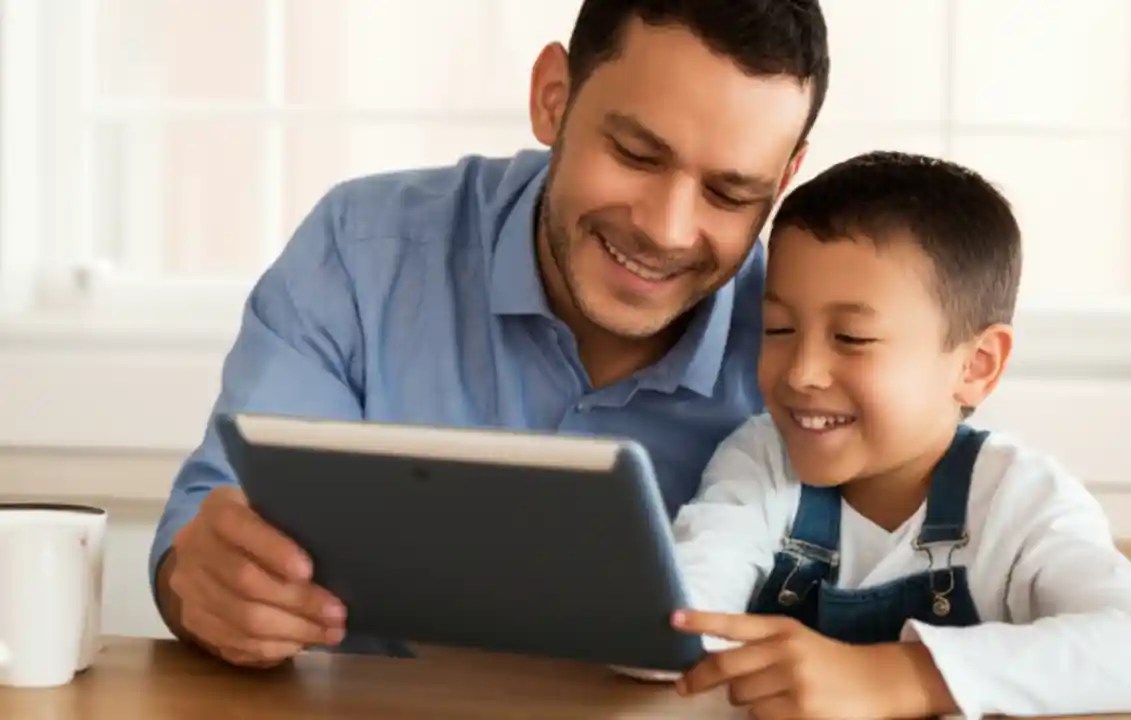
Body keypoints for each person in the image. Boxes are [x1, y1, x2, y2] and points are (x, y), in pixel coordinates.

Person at [149, 0, 829, 668]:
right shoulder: (362, 253)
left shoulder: (823, 355)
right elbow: (207, 529)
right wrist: (209, 587)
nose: (667, 229)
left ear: (785, 179)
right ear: (552, 98)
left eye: (730, 195)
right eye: (636, 154)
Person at [667, 152, 1131, 719]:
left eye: (851, 337)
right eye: (779, 329)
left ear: (975, 366)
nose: (801, 371)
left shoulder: (1017, 498)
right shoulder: (759, 463)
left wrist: (897, 678)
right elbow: (683, 619)